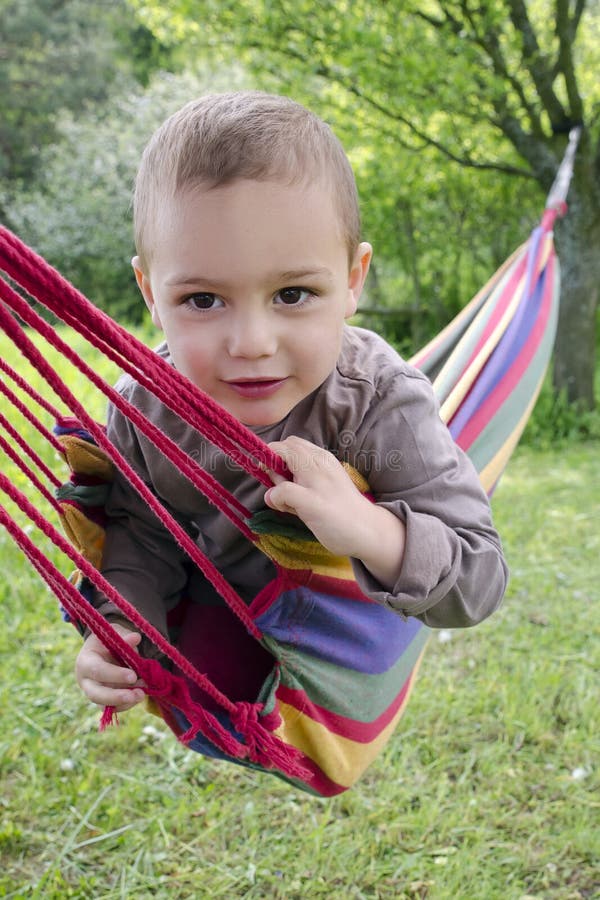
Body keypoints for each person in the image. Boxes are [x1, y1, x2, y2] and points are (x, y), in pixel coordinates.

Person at [75, 91, 508, 713]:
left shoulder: (380, 404)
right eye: (202, 300)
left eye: (294, 293)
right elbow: (141, 536)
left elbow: (479, 580)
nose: (251, 343)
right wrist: (120, 623)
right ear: (149, 291)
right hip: (231, 625)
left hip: (348, 633)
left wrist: (370, 530)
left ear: (353, 280)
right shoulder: (144, 407)